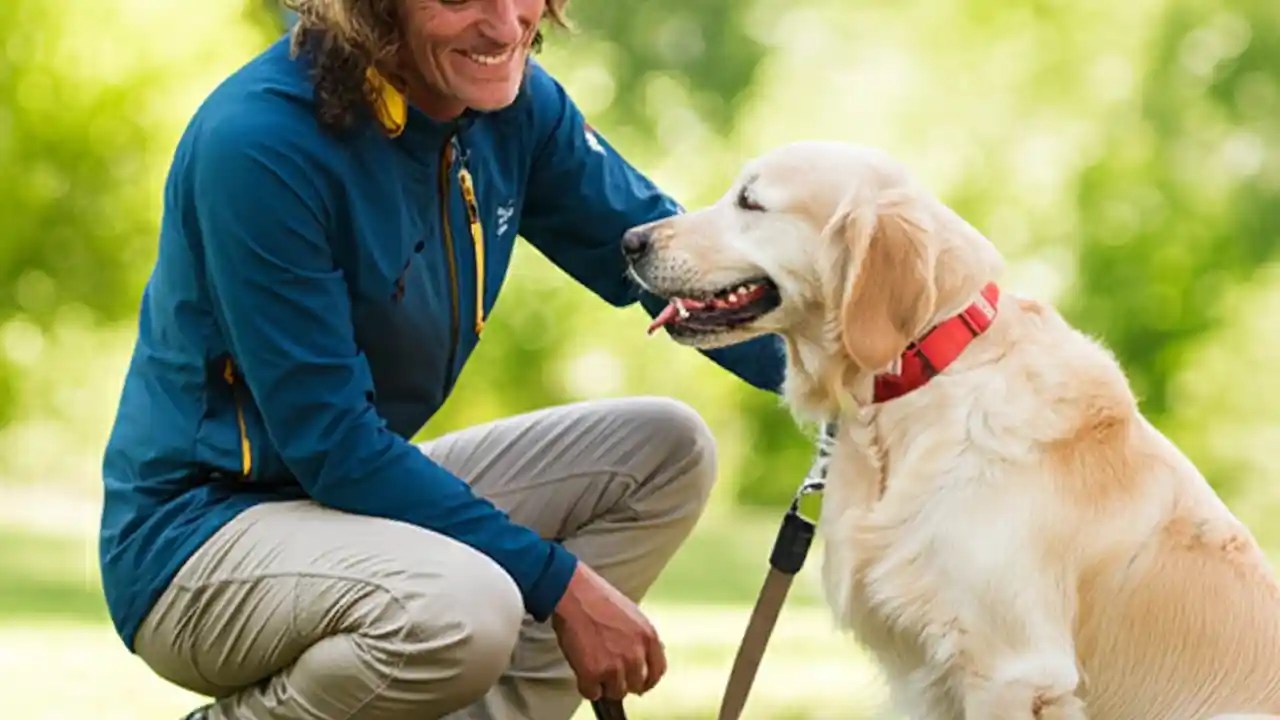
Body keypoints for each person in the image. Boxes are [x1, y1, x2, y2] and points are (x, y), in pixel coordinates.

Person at [97, 1, 787, 719]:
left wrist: (852, 381)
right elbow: (334, 445)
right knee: (462, 611)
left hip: (347, 508)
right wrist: (561, 585)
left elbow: (667, 265)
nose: (505, 25)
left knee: (666, 450)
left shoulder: (514, 106)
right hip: (197, 535)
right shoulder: (260, 144)